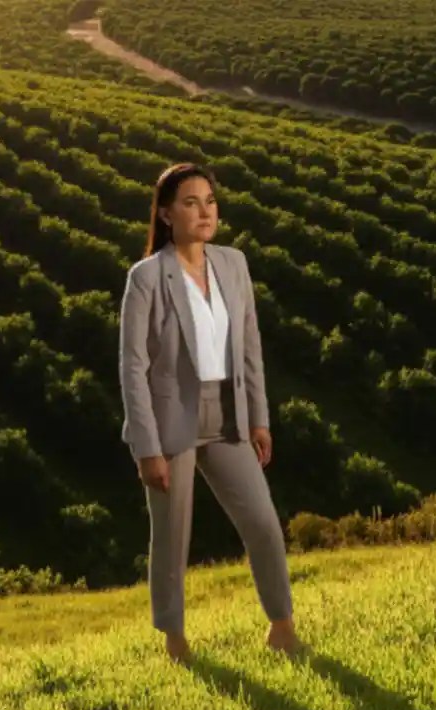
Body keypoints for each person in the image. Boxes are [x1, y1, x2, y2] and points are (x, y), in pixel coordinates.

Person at [118, 162, 301, 663]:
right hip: (169, 421)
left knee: (263, 522)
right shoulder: (147, 277)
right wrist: (146, 446)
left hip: (228, 414)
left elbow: (249, 348)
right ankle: (175, 640)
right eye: (190, 203)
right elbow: (132, 367)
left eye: (210, 202)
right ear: (165, 212)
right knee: (173, 537)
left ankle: (281, 627)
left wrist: (258, 417)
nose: (204, 212)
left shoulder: (233, 263)